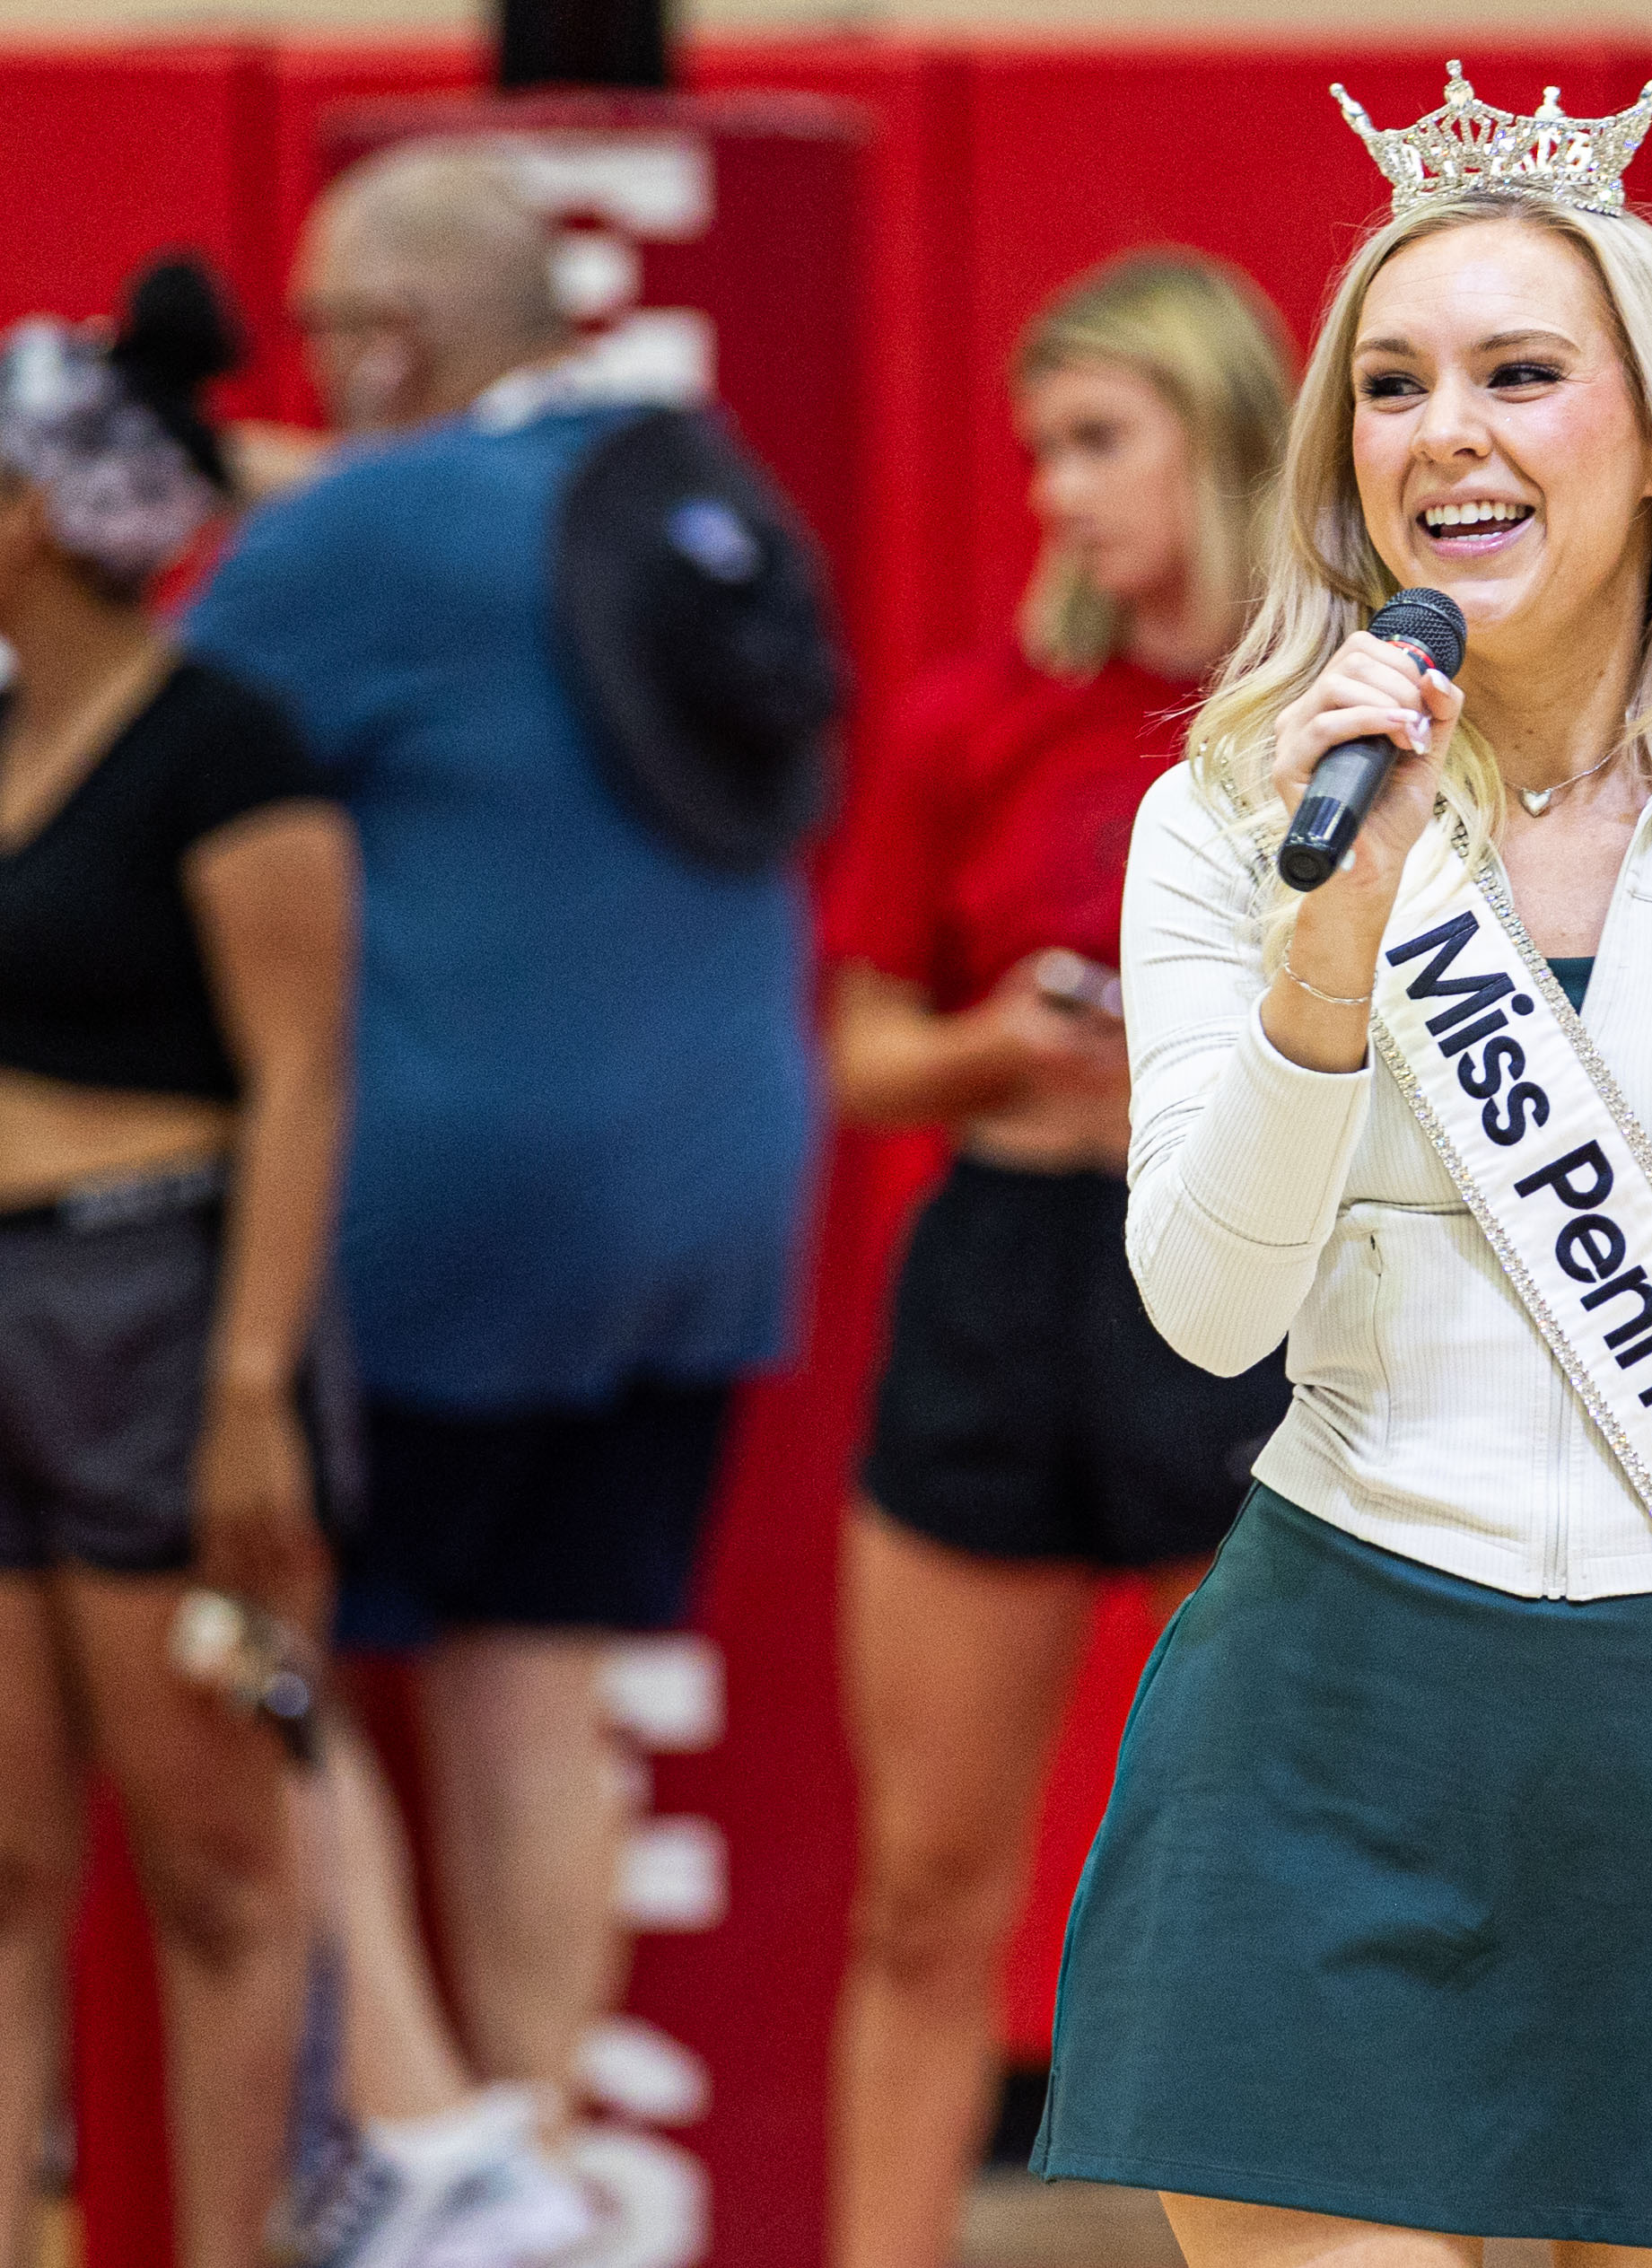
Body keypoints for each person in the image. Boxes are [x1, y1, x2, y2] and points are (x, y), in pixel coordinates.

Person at [1032, 60, 1652, 2268]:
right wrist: (1328, 951)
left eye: (1517, 373)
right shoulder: (1231, 811)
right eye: (1388, 384)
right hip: (1324, 1726)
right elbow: (1205, 1310)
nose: (1440, 430)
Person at [183, 142, 822, 2255]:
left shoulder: (357, 531)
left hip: (444, 1209)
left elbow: (132, 741)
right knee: (533, 1663)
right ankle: (532, 2158)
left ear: (382, 344)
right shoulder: (697, 489)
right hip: (714, 1202)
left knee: (246, 1628)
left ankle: (429, 2142)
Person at [825, 250, 1295, 2268]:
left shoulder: (1342, 717)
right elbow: (853, 1056)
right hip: (1012, 1269)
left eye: (1099, 443)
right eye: (1038, 452)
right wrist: (1002, 1047)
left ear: (1224, 439)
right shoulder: (978, 723)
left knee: (1274, 1862)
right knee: (926, 1883)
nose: (1057, 494)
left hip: (1256, 1277)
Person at [0, 258, 359, 2268]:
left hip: (154, 1306)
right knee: (3, 1856)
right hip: (7, 1307)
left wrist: (250, 1393)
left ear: (37, 513)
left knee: (215, 1854)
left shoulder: (229, 747)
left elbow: (302, 1079)